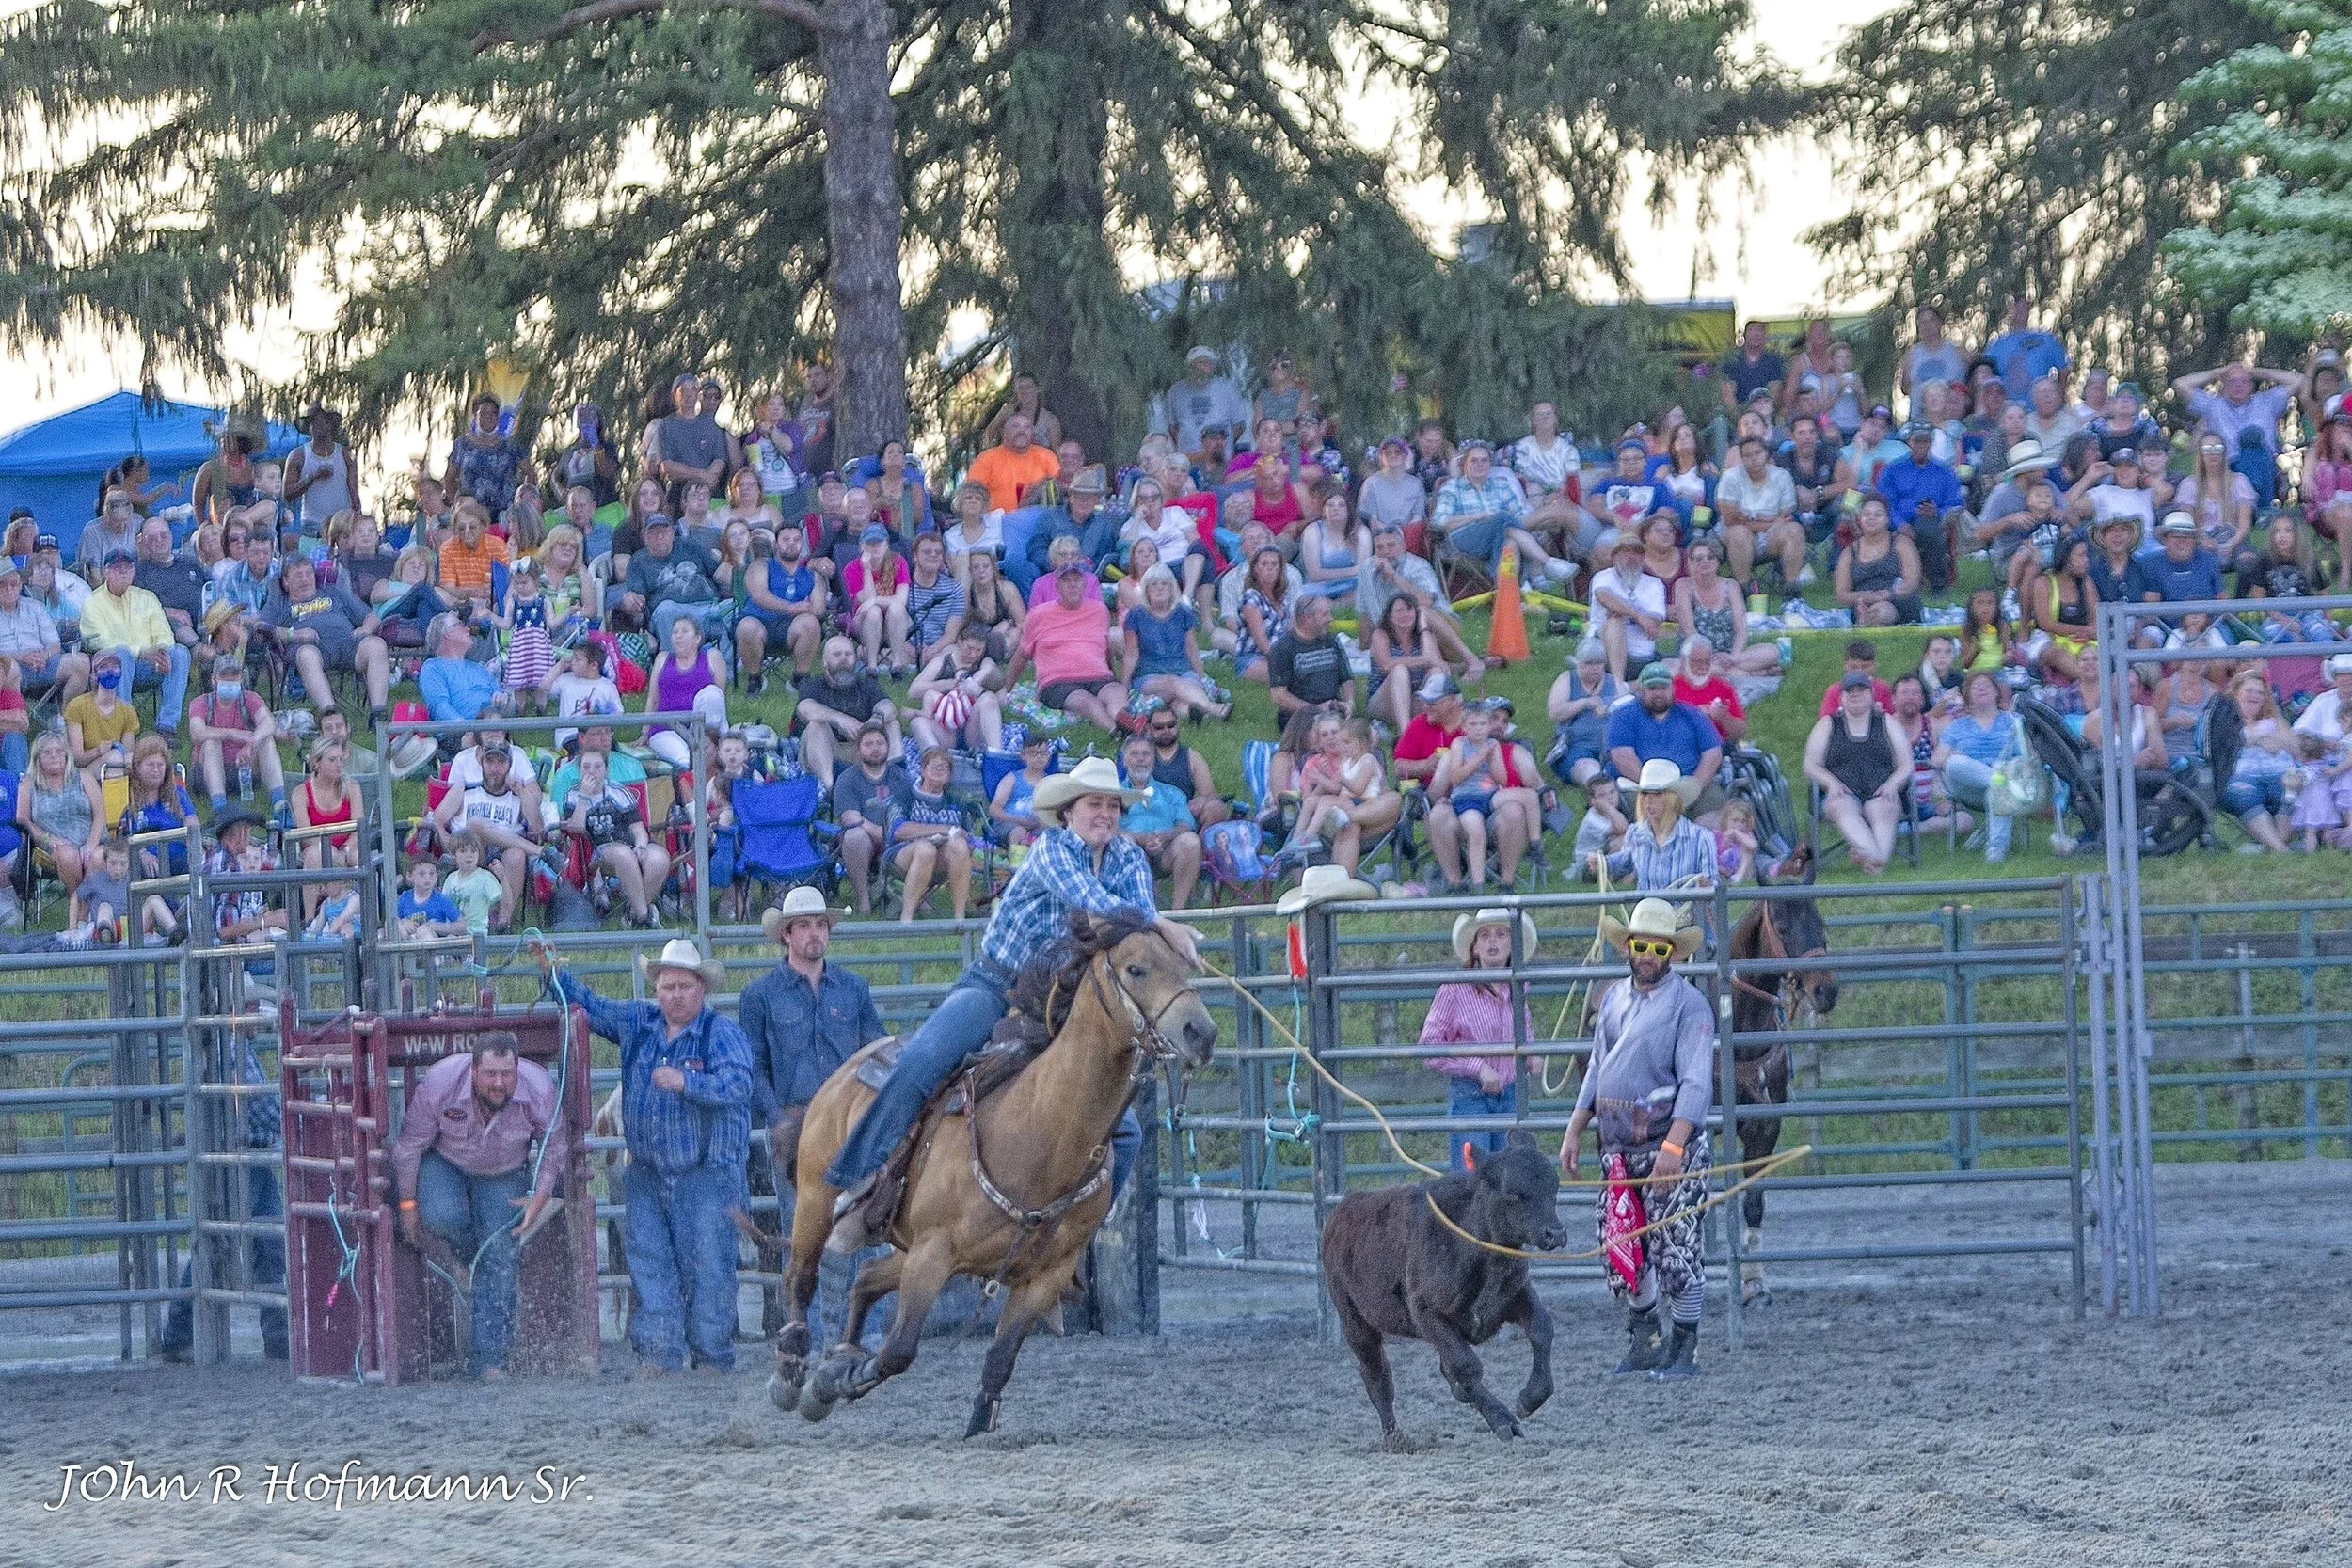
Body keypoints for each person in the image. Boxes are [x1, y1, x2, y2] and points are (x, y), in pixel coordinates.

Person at [821, 756, 1200, 1248]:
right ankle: (860, 1183)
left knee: (1122, 1131)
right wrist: (1161, 923)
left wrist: (1154, 930)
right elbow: (1098, 907)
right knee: (924, 1059)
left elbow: (1133, 933)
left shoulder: (1127, 859)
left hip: (1062, 1003)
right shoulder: (1052, 850)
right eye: (1094, 804)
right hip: (997, 986)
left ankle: (1073, 1236)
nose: (1104, 813)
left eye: (1112, 804)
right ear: (1068, 812)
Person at [538, 936, 750, 1374]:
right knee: (650, 1265)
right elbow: (589, 1006)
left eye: (684, 987)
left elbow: (738, 1087)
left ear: (701, 990)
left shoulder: (722, 1033)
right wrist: (552, 970)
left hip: (707, 1173)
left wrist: (687, 1083)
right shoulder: (639, 1022)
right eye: (668, 986)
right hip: (649, 1172)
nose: (675, 995)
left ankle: (711, 1358)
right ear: (656, 989)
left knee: (709, 1268)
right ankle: (659, 1355)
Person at [1561, 896, 1713, 1380]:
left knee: (1676, 1243)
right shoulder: (1612, 1000)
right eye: (1641, 945)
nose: (1648, 955)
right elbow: (1598, 1067)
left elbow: (1696, 1081)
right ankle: (1646, 1337)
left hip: (1668, 1142)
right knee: (1623, 1243)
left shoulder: (1690, 1005)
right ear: (1628, 947)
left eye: (1659, 949)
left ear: (1673, 953)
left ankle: (1685, 1345)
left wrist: (1674, 1147)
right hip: (1618, 1147)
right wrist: (1575, 1127)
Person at [388, 1031, 566, 1381]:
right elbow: (409, 1146)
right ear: (473, 1071)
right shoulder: (441, 1082)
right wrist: (407, 1205)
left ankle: (490, 1361)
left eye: (507, 1074)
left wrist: (541, 1194)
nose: (499, 1083)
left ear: (518, 1070)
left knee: (500, 1253)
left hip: (506, 1169)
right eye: (490, 1074)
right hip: (446, 1161)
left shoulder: (540, 1089)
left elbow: (555, 1144)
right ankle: (467, 1257)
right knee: (441, 1216)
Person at [1423, 909, 1538, 1172]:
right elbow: (1429, 1047)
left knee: (1508, 1181)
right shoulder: (1454, 989)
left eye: (1500, 934)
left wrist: (1531, 1052)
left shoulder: (1517, 988)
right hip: (1470, 1096)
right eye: (1484, 936)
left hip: (1511, 1094)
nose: (1493, 941)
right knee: (1473, 1183)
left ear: (1511, 944)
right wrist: (1477, 1066)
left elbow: (1523, 1027)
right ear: (1474, 948)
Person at [261, 552, 391, 721]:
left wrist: (366, 630)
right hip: (311, 648)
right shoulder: (279, 602)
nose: (305, 579)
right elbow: (263, 628)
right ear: (285, 582)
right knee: (307, 655)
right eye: (298, 575)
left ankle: (378, 714)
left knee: (377, 645)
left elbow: (371, 617)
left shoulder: (334, 592)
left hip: (348, 644)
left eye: (308, 573)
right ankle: (331, 715)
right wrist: (295, 634)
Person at [79, 548, 190, 738]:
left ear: (133, 572)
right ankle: (125, 724)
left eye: (128, 568)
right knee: (120, 654)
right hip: (113, 668)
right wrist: (142, 653)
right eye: (116, 568)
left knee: (179, 653)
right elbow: (103, 642)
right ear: (106, 572)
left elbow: (163, 631)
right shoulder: (92, 602)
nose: (122, 572)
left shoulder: (147, 597)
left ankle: (167, 726)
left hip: (151, 664)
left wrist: (162, 652)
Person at [1430, 440, 1577, 584]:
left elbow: (1518, 518)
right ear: (1464, 465)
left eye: (1484, 460)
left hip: (1498, 538)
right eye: (1474, 461)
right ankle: (1547, 562)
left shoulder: (1501, 485)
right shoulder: (1452, 487)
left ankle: (1510, 598)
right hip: (1463, 541)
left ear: (1490, 464)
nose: (1480, 464)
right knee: (1501, 517)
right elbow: (1439, 522)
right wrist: (1477, 516)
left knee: (1510, 542)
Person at [1804, 672, 1908, 873]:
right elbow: (1810, 765)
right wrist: (1831, 783)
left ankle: (1873, 862)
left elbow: (1906, 764)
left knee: (1884, 809)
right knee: (1842, 808)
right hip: (1842, 791)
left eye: (1861, 690)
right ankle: (1876, 859)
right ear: (1841, 697)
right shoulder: (1827, 724)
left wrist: (1892, 784)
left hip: (1880, 789)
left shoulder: (1887, 723)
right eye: (1850, 691)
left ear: (1871, 694)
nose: (1855, 694)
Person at [1429, 699, 1535, 892]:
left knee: (1517, 806)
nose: (1479, 729)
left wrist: (1492, 757)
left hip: (1491, 800)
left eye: (1483, 724)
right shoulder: (1459, 745)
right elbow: (1453, 779)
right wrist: (1480, 757)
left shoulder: (1501, 747)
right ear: (1464, 726)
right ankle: (1465, 885)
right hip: (1465, 801)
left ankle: (1508, 880)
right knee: (1460, 824)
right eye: (1473, 724)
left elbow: (1502, 780)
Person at [561, 745, 672, 927]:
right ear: (579, 770)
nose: (592, 772)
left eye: (598, 767)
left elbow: (638, 829)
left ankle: (633, 913)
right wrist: (584, 797)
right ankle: (644, 917)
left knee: (659, 858)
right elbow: (576, 831)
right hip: (594, 852)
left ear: (605, 769)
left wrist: (641, 846)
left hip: (629, 845)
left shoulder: (618, 792)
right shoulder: (572, 796)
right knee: (623, 854)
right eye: (587, 767)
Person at [431, 742, 537, 929]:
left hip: (503, 852)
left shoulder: (516, 796)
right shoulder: (465, 789)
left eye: (501, 762)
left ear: (509, 765)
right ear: (481, 763)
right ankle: (539, 851)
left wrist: (522, 791)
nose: (495, 768)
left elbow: (538, 827)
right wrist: (448, 842)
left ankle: (502, 923)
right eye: (490, 761)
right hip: (468, 850)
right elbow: (437, 819)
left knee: (516, 856)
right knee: (475, 824)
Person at [1008, 562, 1123, 731]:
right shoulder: (1039, 615)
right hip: (1058, 681)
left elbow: (1105, 649)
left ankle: (1125, 721)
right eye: (1066, 580)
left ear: (1084, 584)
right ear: (1057, 587)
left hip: (1098, 675)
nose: (1072, 585)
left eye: (1076, 579)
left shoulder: (1100, 611)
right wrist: (1007, 689)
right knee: (1087, 702)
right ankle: (1117, 732)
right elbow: (1021, 655)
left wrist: (1112, 675)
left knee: (1116, 693)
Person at [1606, 663, 1725, 820]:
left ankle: (1702, 842)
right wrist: (1656, 791)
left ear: (1672, 689)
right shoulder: (1623, 716)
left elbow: (1713, 753)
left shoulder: (1692, 714)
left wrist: (1692, 788)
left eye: (1663, 688)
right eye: (1652, 688)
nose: (1658, 693)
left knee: (1716, 818)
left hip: (1692, 784)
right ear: (1641, 690)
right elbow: (1622, 758)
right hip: (1641, 788)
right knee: (1652, 818)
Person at [1931, 672, 2023, 863]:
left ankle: (1996, 851)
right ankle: (2000, 780)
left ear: (1997, 693)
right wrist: (1954, 756)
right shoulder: (1958, 726)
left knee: (1998, 789)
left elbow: (2025, 755)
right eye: (1976, 687)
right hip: (1967, 788)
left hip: (2003, 783)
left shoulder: (2013, 721)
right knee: (1955, 764)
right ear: (1968, 696)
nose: (1981, 689)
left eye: (1986, 685)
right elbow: (1938, 761)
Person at [1594, 760, 1718, 892]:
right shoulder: (1635, 833)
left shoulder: (1701, 838)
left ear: (1672, 799)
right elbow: (1626, 860)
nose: (1648, 801)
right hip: (1646, 911)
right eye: (1645, 794)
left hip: (1685, 912)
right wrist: (1602, 863)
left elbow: (1713, 885)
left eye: (1657, 794)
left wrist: (1706, 886)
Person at [887, 745, 975, 923]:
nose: (940, 769)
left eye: (945, 767)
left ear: (950, 775)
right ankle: (907, 918)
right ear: (923, 769)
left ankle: (960, 918)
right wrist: (942, 830)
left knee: (959, 846)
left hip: (944, 857)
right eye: (935, 765)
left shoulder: (957, 803)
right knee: (926, 849)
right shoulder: (904, 796)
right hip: (903, 854)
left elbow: (970, 843)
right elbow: (899, 830)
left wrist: (960, 837)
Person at [1118, 732, 1203, 909]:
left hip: (1166, 851)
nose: (1140, 758)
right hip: (1131, 850)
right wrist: (1139, 838)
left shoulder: (1172, 793)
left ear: (1153, 759)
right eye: (1134, 754)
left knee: (1190, 841)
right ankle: (1141, 911)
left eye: (1146, 754)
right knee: (1124, 842)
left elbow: (1186, 825)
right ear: (1124, 760)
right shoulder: (1112, 795)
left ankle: (1178, 913)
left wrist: (1165, 836)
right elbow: (1108, 828)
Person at [1714, 434, 1807, 587]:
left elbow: (1785, 518)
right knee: (1739, 533)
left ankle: (1791, 587)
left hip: (1771, 536)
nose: (1753, 458)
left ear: (1766, 454)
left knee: (1795, 530)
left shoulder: (1782, 477)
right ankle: (1743, 588)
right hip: (1733, 533)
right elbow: (1730, 520)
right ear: (1742, 459)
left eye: (1758, 453)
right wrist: (1770, 522)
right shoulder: (1731, 477)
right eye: (1747, 455)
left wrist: (1748, 519)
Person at [18, 730, 103, 897]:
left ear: (66, 755)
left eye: (59, 751)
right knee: (67, 854)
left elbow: (100, 814)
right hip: (53, 847)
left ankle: (92, 911)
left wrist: (91, 844)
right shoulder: (28, 784)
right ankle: (79, 904)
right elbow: (22, 821)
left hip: (92, 840)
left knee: (97, 857)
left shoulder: (83, 777)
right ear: (37, 758)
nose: (54, 756)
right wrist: (47, 838)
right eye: (47, 752)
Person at [620, 512, 728, 642]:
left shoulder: (690, 545)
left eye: (664, 531)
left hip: (709, 609)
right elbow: (638, 599)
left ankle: (727, 662)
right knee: (665, 610)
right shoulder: (639, 560)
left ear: (672, 532)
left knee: (735, 608)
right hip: (673, 616)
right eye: (653, 532)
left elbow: (718, 572)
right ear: (645, 537)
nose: (659, 536)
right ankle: (674, 661)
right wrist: (631, 598)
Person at [2221, 670, 2296, 854]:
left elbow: (2296, 749)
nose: (2255, 695)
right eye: (2249, 690)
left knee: (2291, 787)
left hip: (2280, 775)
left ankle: (2269, 847)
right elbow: (2227, 745)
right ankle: (2281, 850)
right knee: (2244, 793)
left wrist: (2268, 739)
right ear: (2236, 693)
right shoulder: (2225, 719)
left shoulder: (2275, 719)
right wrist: (2263, 738)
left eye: (2260, 692)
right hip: (2242, 778)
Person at [0, 558, 90, 705]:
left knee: (81, 662)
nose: (9, 589)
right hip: (10, 667)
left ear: (20, 585)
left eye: (13, 584)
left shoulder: (35, 607)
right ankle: (15, 719)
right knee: (9, 669)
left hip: (44, 663)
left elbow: (54, 643)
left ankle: (65, 719)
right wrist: (20, 657)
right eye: (2, 585)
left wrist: (45, 656)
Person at [2171, 359, 2305, 458]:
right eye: (2233, 381)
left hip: (2262, 470)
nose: (2239, 386)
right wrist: (2218, 372)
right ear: (2223, 386)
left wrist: (2257, 372)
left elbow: (2300, 380)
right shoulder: (2214, 405)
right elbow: (2180, 384)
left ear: (2252, 386)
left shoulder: (2267, 402)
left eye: (2244, 381)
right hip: (2226, 475)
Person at [909, 623, 1005, 753]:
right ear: (960, 642)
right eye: (969, 648)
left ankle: (996, 754)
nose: (973, 655)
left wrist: (978, 691)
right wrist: (947, 684)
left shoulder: (985, 664)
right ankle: (935, 758)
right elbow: (913, 691)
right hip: (946, 727)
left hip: (972, 726)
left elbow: (1001, 700)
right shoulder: (943, 662)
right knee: (918, 722)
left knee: (988, 699)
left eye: (978, 650)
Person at [1835, 494, 1924, 627]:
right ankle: (1867, 618)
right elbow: (1841, 594)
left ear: (1887, 519)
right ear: (1859, 519)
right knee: (1870, 609)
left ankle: (1870, 619)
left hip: (1898, 599)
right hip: (1863, 602)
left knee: (1883, 610)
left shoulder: (1901, 543)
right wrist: (1865, 597)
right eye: (1867, 514)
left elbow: (1912, 581)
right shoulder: (1849, 552)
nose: (1872, 518)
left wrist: (1888, 594)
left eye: (1878, 515)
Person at [1588, 533, 1667, 683]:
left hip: (1642, 656)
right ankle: (1619, 684)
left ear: (1643, 558)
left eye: (1637, 552)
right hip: (1602, 653)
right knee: (1615, 621)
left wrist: (1620, 609)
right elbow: (1604, 597)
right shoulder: (1604, 577)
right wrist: (1638, 616)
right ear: (1614, 557)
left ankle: (1629, 685)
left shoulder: (1654, 584)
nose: (1631, 557)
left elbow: (1655, 622)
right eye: (1625, 552)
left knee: (1674, 665)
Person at [1267, 594, 1354, 721]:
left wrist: (1349, 703)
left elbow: (1346, 678)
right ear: (1307, 619)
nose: (1331, 619)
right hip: (1300, 718)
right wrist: (1316, 709)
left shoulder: (1331, 642)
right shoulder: (1282, 649)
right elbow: (1278, 695)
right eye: (1325, 615)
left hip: (1333, 712)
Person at [1163, 347, 1251, 460]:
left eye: (1208, 363)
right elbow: (1173, 428)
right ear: (1190, 366)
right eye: (1199, 363)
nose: (1203, 368)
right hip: (1186, 461)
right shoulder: (1176, 391)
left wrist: (1219, 444)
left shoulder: (1227, 388)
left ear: (1213, 367)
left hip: (1220, 460)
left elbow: (1239, 425)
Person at [63, 650, 141, 774]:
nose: (110, 671)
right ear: (94, 675)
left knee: (132, 760)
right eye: (103, 667)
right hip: (83, 774)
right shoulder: (77, 706)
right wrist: (98, 751)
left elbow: (128, 754)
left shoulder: (127, 710)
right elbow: (76, 759)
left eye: (115, 666)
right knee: (114, 758)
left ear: (120, 672)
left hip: (117, 766)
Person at [967, 413, 1062, 515]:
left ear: (1032, 433)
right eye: (1015, 426)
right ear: (1004, 432)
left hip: (1038, 523)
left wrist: (1038, 487)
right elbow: (972, 494)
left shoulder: (1046, 456)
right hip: (998, 523)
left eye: (1027, 427)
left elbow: (1059, 487)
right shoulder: (987, 458)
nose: (1021, 431)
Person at [419, 612, 501, 724]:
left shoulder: (479, 668)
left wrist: (503, 698)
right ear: (447, 634)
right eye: (461, 625)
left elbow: (500, 694)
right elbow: (439, 705)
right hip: (459, 733)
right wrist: (465, 728)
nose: (468, 629)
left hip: (493, 728)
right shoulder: (433, 667)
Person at [397, 854, 466, 938]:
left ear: (437, 876)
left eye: (432, 873)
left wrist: (434, 926)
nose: (427, 877)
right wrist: (403, 922)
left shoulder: (441, 900)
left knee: (423, 931)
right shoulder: (404, 898)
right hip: (409, 938)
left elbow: (462, 927)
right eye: (422, 873)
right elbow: (390, 921)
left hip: (432, 940)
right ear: (410, 876)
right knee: (397, 926)